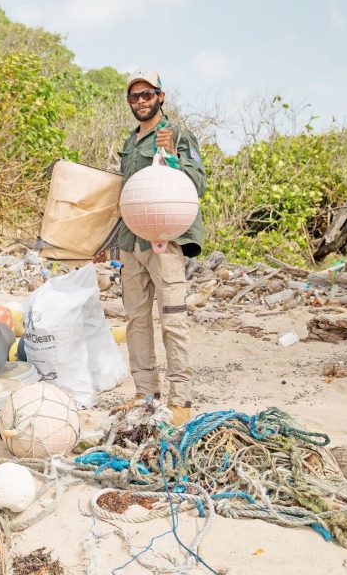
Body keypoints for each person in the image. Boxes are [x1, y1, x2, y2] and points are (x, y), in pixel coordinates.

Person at [113, 70, 206, 426]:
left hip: (166, 240)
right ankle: (145, 394)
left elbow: (197, 184)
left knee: (173, 319)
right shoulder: (130, 140)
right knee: (136, 320)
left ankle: (180, 399)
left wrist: (171, 156)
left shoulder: (178, 134)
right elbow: (125, 193)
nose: (141, 101)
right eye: (134, 97)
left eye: (147, 95)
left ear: (161, 96)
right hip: (130, 241)